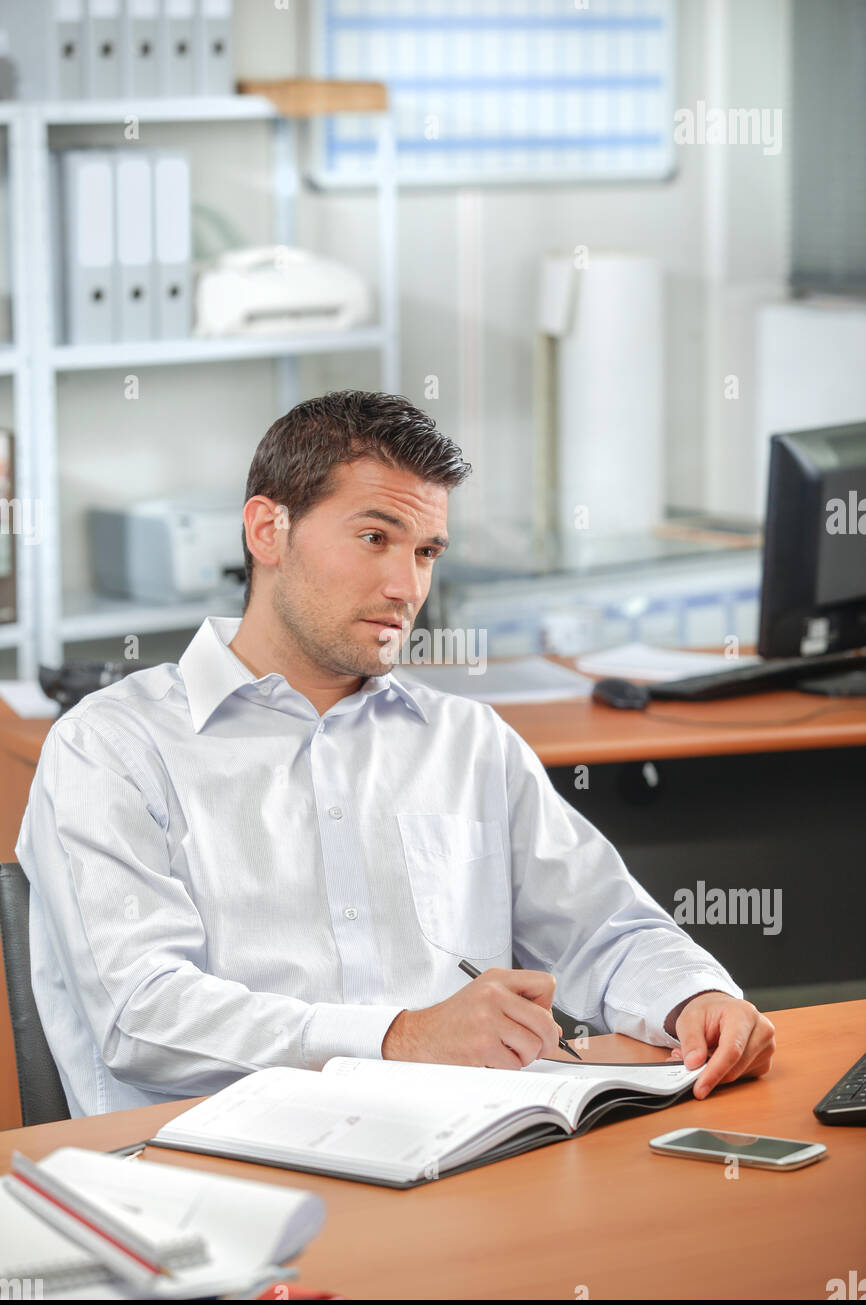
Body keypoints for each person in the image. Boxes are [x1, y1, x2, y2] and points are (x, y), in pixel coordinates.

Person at [16, 390, 775, 1117]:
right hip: (213, 1181)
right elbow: (142, 1015)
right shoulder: (110, 747)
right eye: (375, 538)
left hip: (459, 1152)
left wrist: (693, 998)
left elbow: (605, 928)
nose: (405, 586)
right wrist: (401, 1038)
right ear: (266, 531)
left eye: (427, 551)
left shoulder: (467, 742)